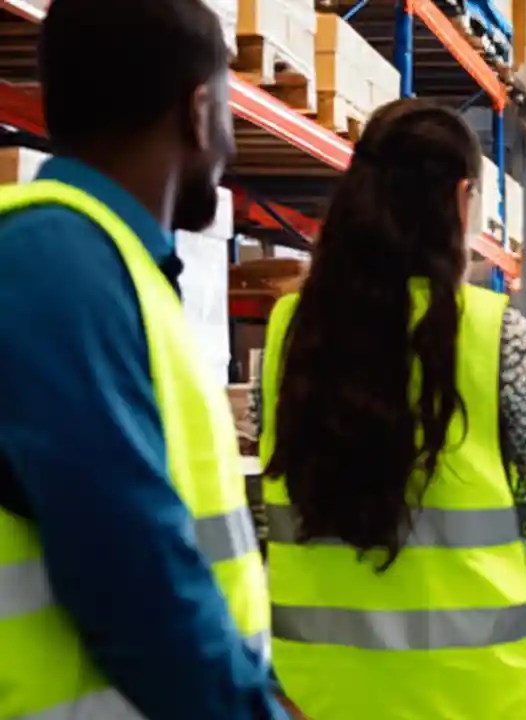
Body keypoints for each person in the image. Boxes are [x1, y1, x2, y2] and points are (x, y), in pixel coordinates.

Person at [259, 98, 526, 720]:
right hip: (481, 693)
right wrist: (515, 597)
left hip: (321, 693)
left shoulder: (287, 334)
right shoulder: (500, 339)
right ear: (462, 198)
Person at [0, 1, 283, 718]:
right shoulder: (55, 266)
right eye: (226, 114)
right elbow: (135, 575)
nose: (230, 148)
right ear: (198, 112)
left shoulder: (101, 263)